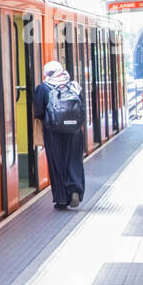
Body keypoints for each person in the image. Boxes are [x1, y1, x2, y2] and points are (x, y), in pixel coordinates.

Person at [33, 60, 86, 210]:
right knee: (74, 160)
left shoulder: (43, 88)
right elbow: (82, 107)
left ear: (47, 74)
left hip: (53, 132)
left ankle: (62, 198)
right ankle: (75, 189)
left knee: (57, 163)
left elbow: (39, 113)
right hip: (75, 132)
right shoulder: (74, 86)